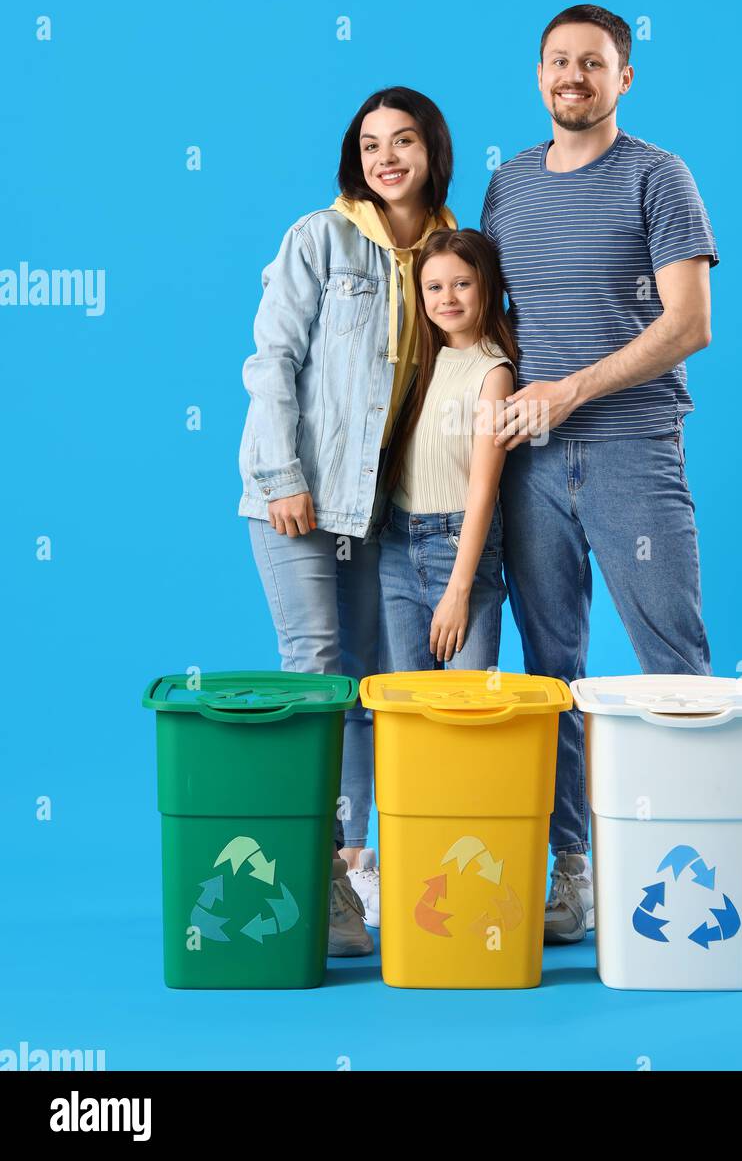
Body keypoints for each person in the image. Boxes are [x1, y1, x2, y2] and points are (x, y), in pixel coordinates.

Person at [481, 3, 742, 958]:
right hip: (527, 467)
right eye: (556, 62)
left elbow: (690, 323)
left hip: (632, 450)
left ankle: (722, 883)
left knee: (677, 669)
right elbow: (496, 320)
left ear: (624, 78)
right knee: (553, 676)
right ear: (538, 76)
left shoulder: (660, 177)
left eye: (592, 62)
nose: (571, 76)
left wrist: (569, 390)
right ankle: (572, 876)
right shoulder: (506, 186)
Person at [237, 86, 457, 956]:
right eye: (371, 145)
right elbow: (271, 362)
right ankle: (318, 868)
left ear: (434, 151)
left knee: (370, 686)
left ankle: (364, 859)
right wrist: (283, 473)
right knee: (319, 672)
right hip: (294, 498)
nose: (387, 158)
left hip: (379, 511)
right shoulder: (318, 239)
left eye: (404, 141)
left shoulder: (449, 251)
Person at [377, 229, 517, 672]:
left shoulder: (493, 371)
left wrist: (460, 590)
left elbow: (483, 489)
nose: (448, 298)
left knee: (465, 705)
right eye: (434, 287)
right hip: (398, 541)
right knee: (405, 703)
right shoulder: (420, 361)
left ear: (486, 286)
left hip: (459, 548)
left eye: (462, 283)